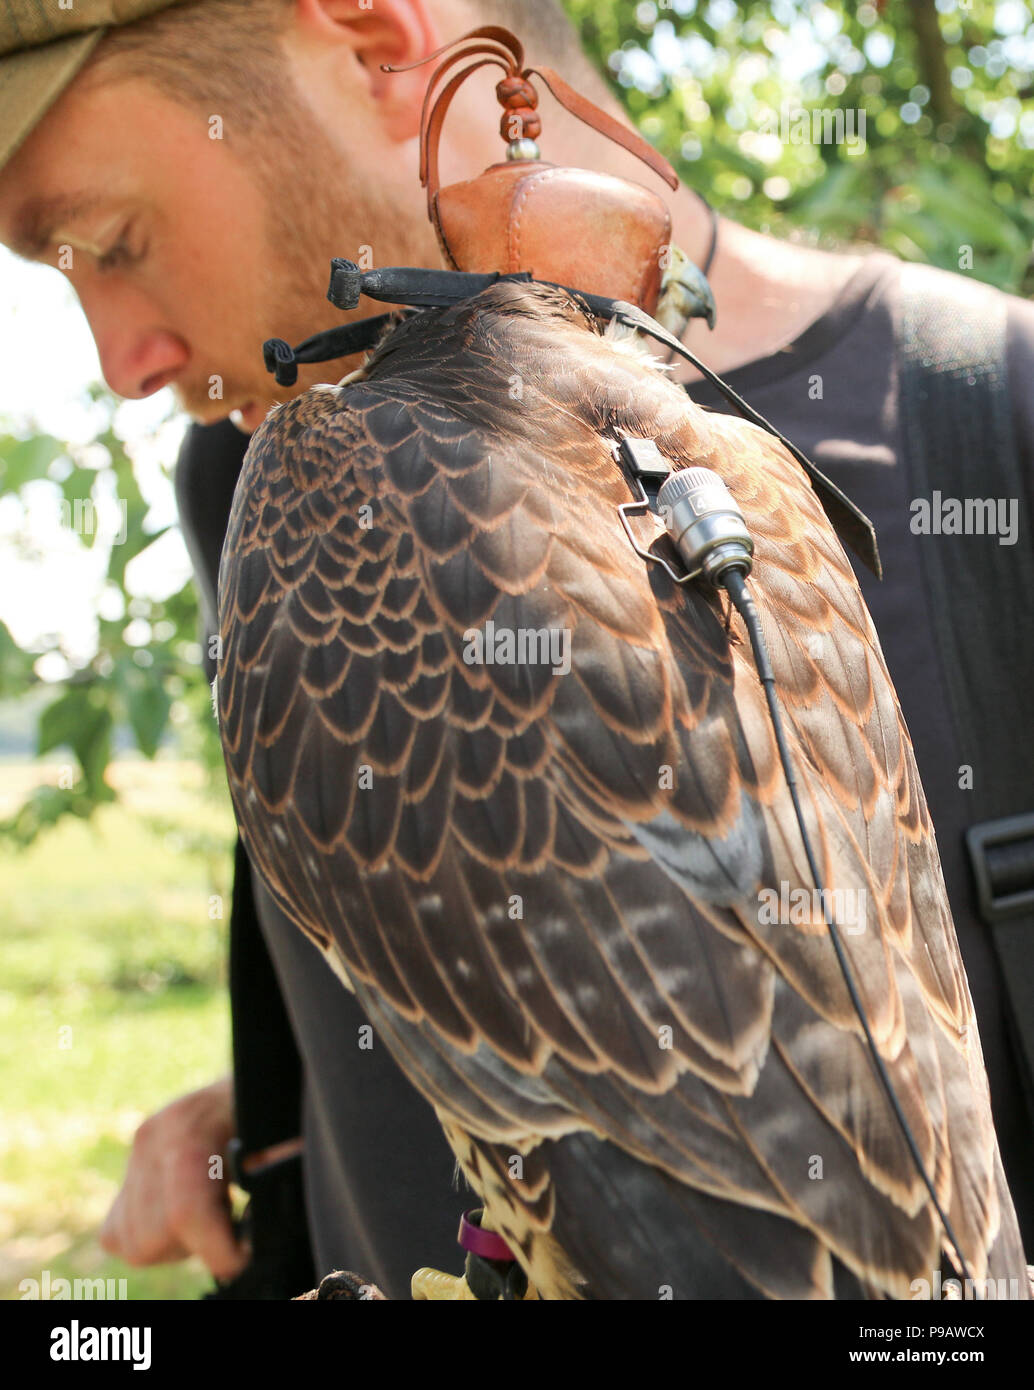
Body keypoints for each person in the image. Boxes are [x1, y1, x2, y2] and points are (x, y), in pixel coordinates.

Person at [1, 0, 1030, 1299]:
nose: (120, 364)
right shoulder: (263, 473)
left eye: (112, 241)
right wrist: (278, 1125)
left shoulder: (997, 421)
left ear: (379, 48)